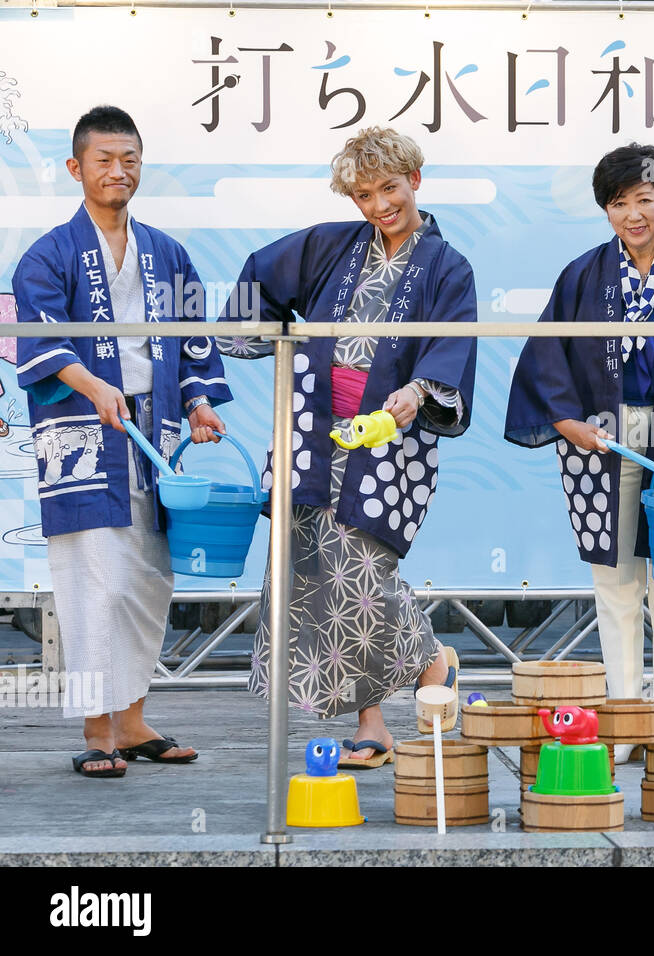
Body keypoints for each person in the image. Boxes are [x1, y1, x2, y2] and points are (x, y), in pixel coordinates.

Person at [217, 127, 476, 768]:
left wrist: (417, 390)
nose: (379, 205)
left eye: (389, 188)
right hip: (312, 428)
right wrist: (272, 336)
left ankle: (429, 662)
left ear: (414, 180)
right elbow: (258, 284)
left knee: (365, 572)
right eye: (364, 194)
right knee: (312, 573)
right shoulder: (329, 246)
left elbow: (450, 350)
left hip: (390, 438)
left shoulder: (448, 267)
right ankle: (376, 724)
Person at [505, 144, 654, 760]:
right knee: (615, 584)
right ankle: (622, 720)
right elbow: (546, 357)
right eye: (619, 203)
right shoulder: (582, 276)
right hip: (600, 441)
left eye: (644, 199)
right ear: (605, 210)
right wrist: (567, 422)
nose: (634, 214)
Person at [14, 105, 231, 777]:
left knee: (146, 580)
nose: (118, 171)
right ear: (77, 169)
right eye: (104, 160)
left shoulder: (167, 253)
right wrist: (91, 384)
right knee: (90, 584)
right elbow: (41, 344)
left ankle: (133, 722)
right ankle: (94, 728)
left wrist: (198, 402)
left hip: (155, 431)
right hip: (83, 434)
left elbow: (193, 342)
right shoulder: (48, 255)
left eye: (129, 159)